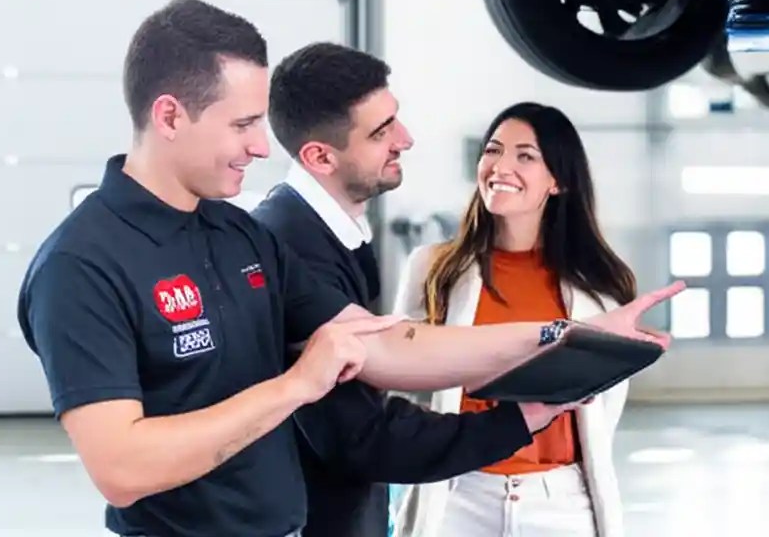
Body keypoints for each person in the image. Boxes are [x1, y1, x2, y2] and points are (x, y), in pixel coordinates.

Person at [16, 0, 681, 537]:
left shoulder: (237, 234)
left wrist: (565, 336)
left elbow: (388, 347)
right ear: (169, 116)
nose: (258, 144)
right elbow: (123, 466)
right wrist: (296, 384)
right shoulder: (81, 266)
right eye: (243, 124)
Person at [250, 42, 583, 537]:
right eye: (382, 131)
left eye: (395, 120)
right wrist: (522, 412)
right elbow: (365, 428)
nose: (404, 139)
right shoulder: (292, 248)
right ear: (320, 156)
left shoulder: (331, 237)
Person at [392, 102, 640, 537]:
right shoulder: (432, 268)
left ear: (558, 180)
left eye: (526, 155)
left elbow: (604, 411)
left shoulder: (599, 287)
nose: (501, 166)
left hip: (559, 501)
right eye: (493, 150)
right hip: (458, 493)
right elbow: (400, 376)